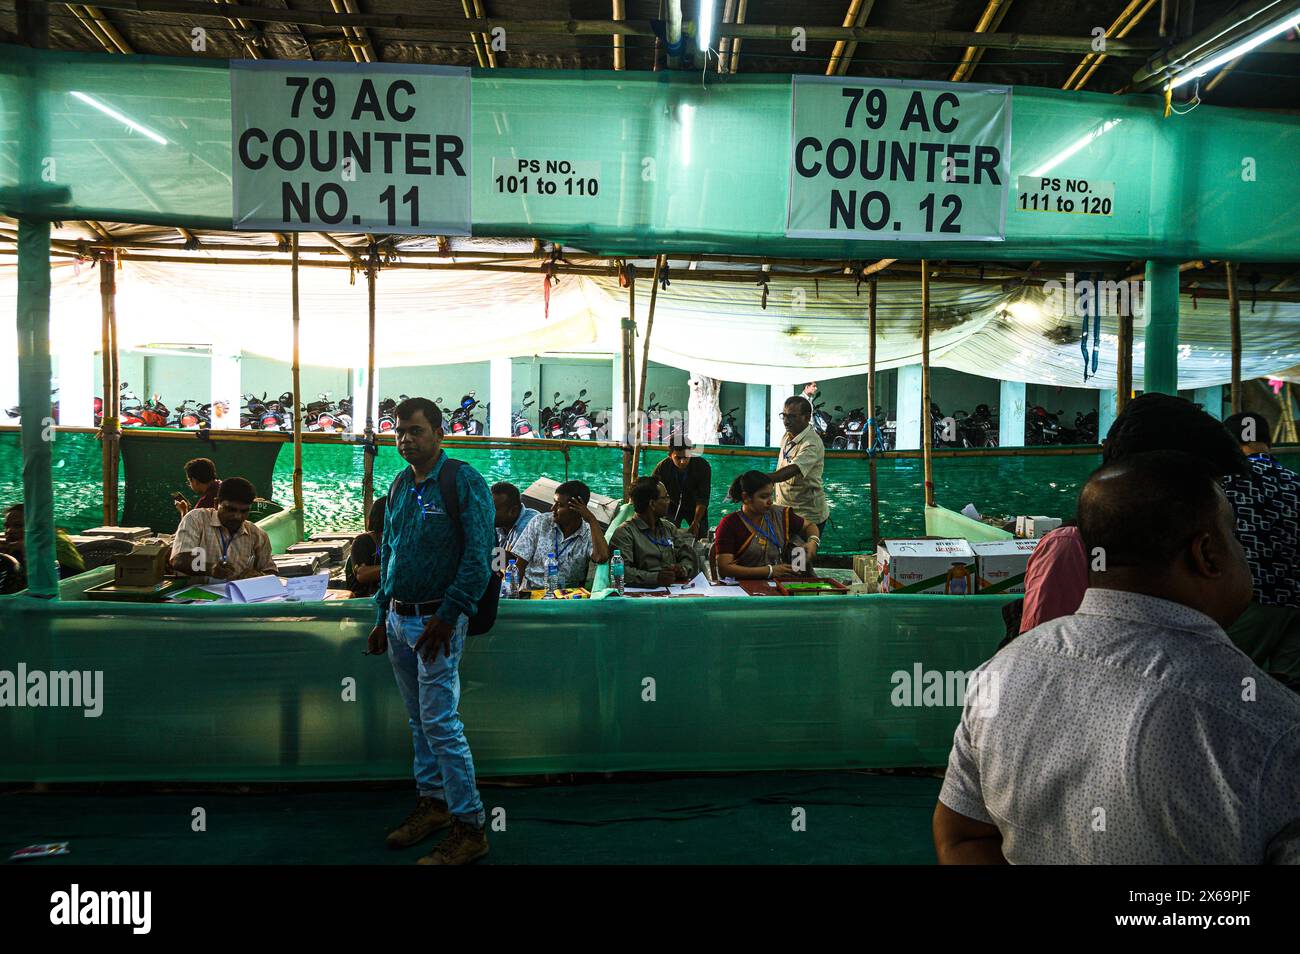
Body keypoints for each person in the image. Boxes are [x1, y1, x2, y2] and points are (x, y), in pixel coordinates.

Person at [935, 451, 1300, 864]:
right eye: (1233, 534)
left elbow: (961, 837)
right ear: (1207, 553)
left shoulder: (1000, 673)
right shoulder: (1273, 729)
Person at [368, 396, 494, 866]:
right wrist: (381, 614)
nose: (405, 440)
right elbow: (390, 550)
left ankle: (471, 826)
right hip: (399, 620)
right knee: (419, 721)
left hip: (436, 621)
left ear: (440, 433)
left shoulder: (462, 480)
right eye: (399, 432)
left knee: (440, 723)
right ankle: (434, 804)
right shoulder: (400, 483)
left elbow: (480, 555)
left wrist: (450, 612)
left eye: (415, 431)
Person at [1018, 393, 1247, 634]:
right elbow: (1044, 645)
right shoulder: (1070, 549)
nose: (1213, 498)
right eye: (1207, 485)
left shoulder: (1179, 554)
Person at [1221, 411, 1300, 686]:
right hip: (1296, 601)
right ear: (1268, 441)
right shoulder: (1296, 482)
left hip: (1253, 599)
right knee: (1288, 693)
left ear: (1230, 444)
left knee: (1230, 684)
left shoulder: (1226, 482)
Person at [713, 471, 819, 581]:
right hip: (744, 586)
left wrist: (813, 541)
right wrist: (770, 571)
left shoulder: (780, 515)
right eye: (763, 497)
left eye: (771, 495)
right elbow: (724, 569)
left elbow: (810, 526)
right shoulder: (729, 524)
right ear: (746, 497)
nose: (770, 501)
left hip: (780, 583)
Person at [510, 479, 611, 590]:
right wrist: (513, 593)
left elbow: (601, 557)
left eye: (560, 505)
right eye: (554, 502)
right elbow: (520, 565)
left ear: (576, 509)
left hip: (568, 597)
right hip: (534, 592)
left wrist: (591, 519)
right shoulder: (540, 522)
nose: (553, 508)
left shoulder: (588, 532)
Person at [169, 477, 274, 580]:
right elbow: (178, 560)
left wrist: (259, 576)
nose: (237, 516)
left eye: (244, 511)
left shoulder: (258, 535)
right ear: (216, 504)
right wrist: (210, 569)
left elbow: (271, 572)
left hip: (238, 591)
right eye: (230, 510)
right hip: (195, 590)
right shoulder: (196, 519)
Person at [609, 477, 702, 587]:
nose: (669, 501)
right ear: (652, 504)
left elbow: (687, 556)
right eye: (665, 497)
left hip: (674, 590)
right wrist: (656, 578)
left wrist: (683, 569)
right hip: (642, 594)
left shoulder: (669, 528)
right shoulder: (625, 533)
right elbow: (622, 572)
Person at [769, 396, 829, 536]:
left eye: (792, 416)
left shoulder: (811, 443)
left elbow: (794, 469)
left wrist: (761, 479)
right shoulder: (787, 436)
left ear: (807, 417)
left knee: (801, 550)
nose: (786, 421)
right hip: (785, 512)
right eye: (784, 415)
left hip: (807, 516)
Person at [1, 503, 86, 582]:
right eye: (7, 526)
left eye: (18, 525)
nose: (9, 531)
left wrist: (28, 550)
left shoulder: (56, 544)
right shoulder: (11, 550)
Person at [651, 435, 711, 539]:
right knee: (665, 534)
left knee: (701, 535)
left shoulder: (702, 466)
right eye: (678, 458)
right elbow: (653, 492)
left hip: (695, 505)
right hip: (672, 504)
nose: (683, 461)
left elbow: (703, 497)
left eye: (686, 457)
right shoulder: (662, 468)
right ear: (670, 455)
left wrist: (696, 522)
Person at [344, 497, 386, 599]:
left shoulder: (401, 542)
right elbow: (362, 574)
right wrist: (395, 569)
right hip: (366, 599)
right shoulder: (362, 541)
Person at [491, 481, 539, 562]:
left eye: (494, 509)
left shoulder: (530, 525)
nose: (488, 512)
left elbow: (516, 561)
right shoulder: (499, 522)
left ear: (514, 511)